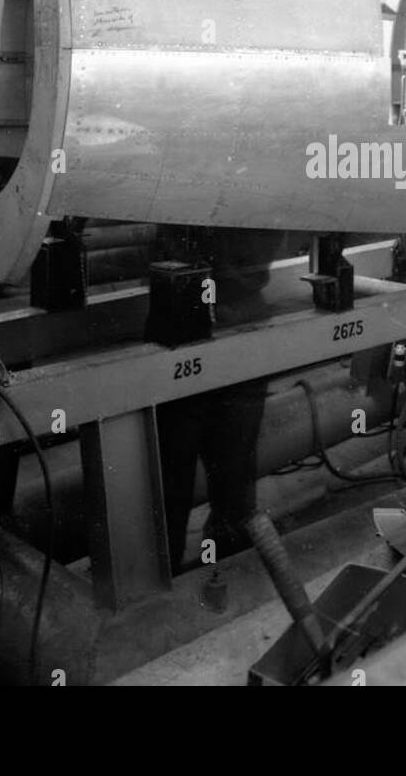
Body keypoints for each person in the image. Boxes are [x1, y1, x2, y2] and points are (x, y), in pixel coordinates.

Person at [154, 228, 290, 572]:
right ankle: (216, 577)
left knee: (191, 484)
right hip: (212, 320)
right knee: (215, 482)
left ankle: (209, 579)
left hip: (199, 320)